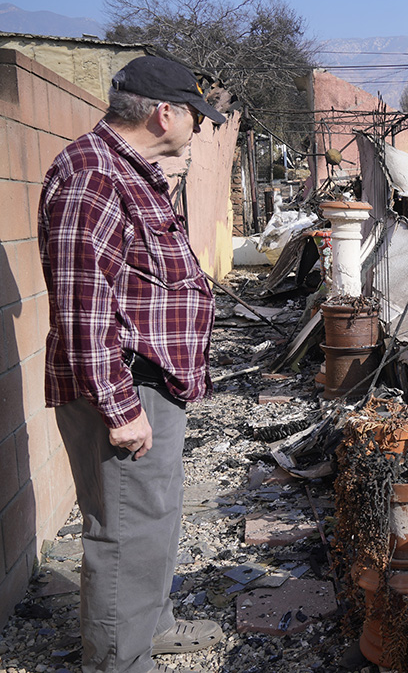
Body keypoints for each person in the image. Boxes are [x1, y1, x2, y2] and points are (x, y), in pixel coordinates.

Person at [38, 56, 227, 673]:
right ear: (163, 112)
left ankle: (151, 626)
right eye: (196, 114)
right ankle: (119, 660)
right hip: (125, 387)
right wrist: (120, 411)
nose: (199, 125)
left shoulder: (127, 170)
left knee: (154, 518)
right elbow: (80, 307)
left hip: (151, 383)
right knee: (124, 533)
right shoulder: (92, 175)